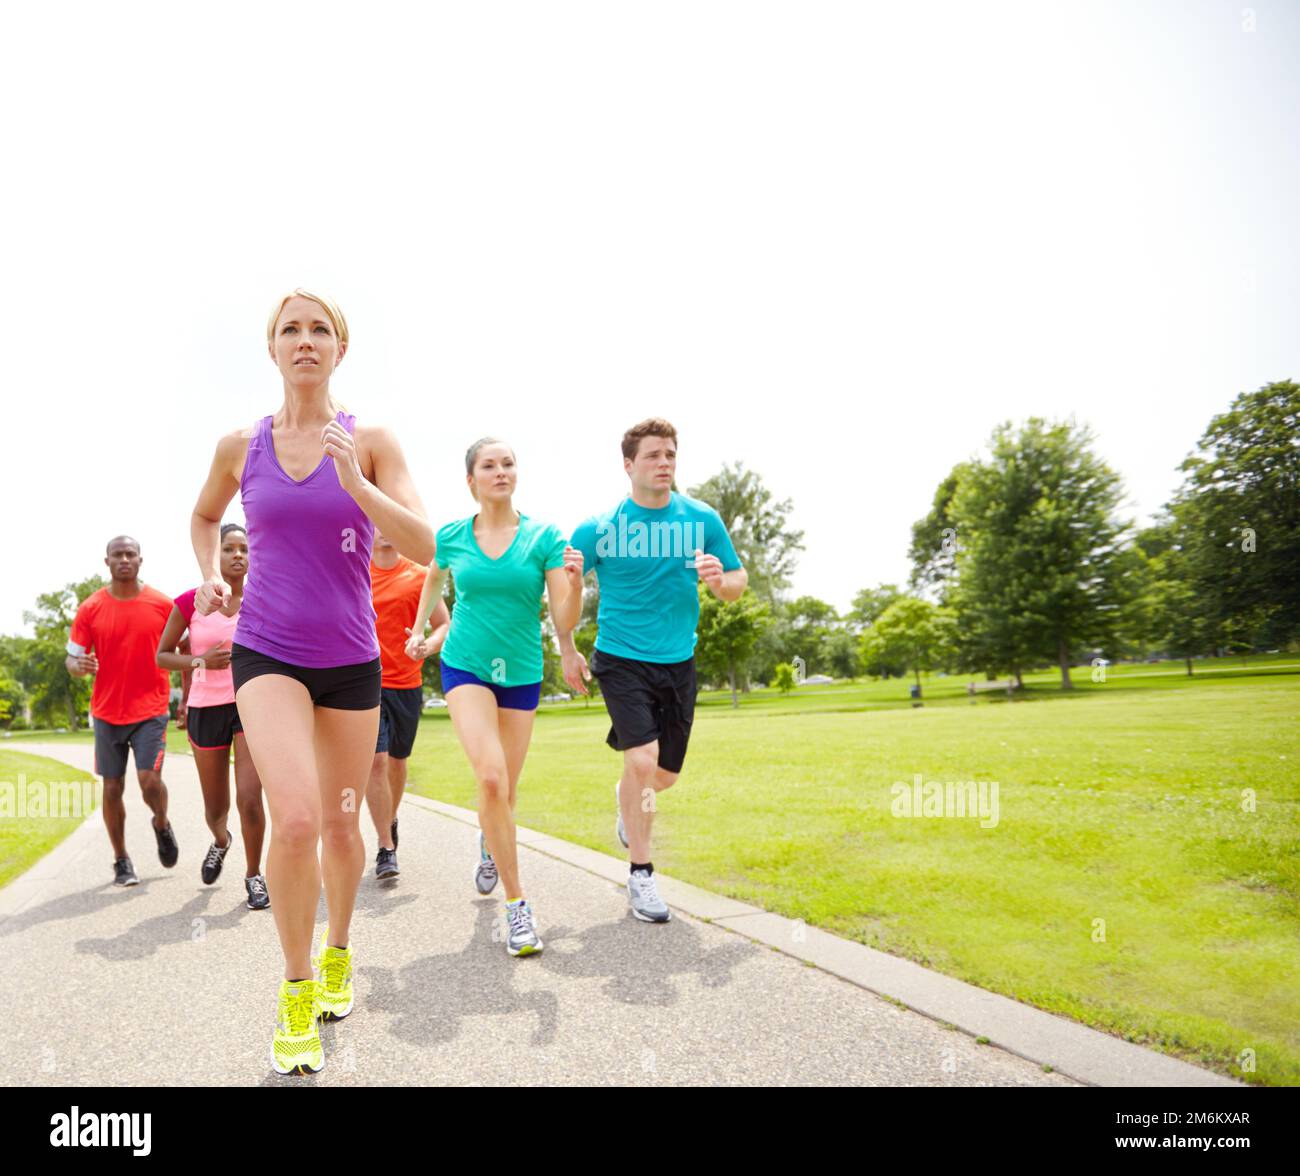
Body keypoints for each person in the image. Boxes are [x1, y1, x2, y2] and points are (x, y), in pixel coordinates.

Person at [190, 289, 433, 1076]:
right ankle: (296, 991)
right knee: (294, 821)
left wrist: (358, 488)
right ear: (272, 350)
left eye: (319, 329)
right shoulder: (240, 446)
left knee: (339, 824)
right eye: (290, 330)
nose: (305, 340)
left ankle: (337, 953)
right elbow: (203, 517)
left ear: (339, 348)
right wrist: (209, 577)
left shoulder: (372, 441)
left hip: (352, 659)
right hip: (266, 650)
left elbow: (427, 542)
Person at [561, 418, 746, 923]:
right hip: (620, 658)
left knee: (661, 777)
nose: (664, 463)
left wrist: (719, 581)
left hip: (678, 662)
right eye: (653, 456)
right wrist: (568, 636)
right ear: (628, 465)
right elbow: (564, 602)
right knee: (641, 760)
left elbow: (736, 580)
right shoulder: (597, 529)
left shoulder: (701, 519)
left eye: (670, 455)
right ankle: (641, 875)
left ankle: (627, 806)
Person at [407, 438, 582, 956]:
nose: (501, 471)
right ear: (471, 480)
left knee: (505, 791)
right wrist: (419, 630)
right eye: (490, 465)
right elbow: (434, 579)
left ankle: (490, 839)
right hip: (465, 664)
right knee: (490, 776)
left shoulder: (544, 536)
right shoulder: (453, 536)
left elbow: (562, 617)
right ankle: (518, 907)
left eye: (508, 463)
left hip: (523, 671)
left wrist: (576, 584)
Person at [156, 522, 269, 909]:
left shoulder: (267, 596)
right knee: (216, 808)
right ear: (214, 556)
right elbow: (163, 654)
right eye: (229, 549)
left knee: (250, 798)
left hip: (252, 704)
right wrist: (200, 660)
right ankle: (221, 840)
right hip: (206, 708)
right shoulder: (191, 601)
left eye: (244, 549)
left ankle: (254, 875)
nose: (238, 555)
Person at [66, 535, 179, 887]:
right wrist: (78, 665)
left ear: (141, 561)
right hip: (107, 712)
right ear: (107, 562)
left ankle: (161, 822)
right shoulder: (90, 608)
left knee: (149, 780)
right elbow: (71, 657)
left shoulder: (162, 604)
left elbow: (184, 647)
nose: (125, 559)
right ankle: (121, 860)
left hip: (151, 708)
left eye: (131, 554)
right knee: (112, 788)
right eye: (118, 555)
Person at [366, 528, 449, 880]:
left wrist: (427, 645)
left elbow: (443, 623)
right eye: (376, 524)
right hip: (365, 681)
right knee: (377, 762)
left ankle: (391, 817)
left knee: (398, 763)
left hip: (407, 683)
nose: (385, 532)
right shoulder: (355, 570)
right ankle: (386, 847)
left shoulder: (418, 575)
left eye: (390, 523)